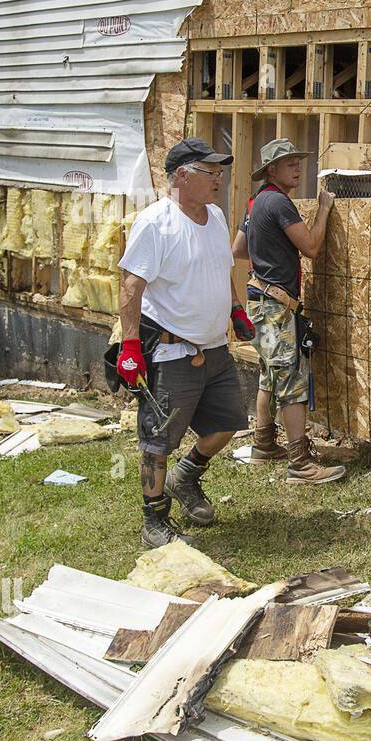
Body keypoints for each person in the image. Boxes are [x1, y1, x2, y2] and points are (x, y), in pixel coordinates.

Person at [115, 137, 255, 547]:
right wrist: (129, 346)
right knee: (158, 440)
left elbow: (223, 268)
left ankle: (186, 476)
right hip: (173, 351)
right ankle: (153, 522)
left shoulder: (214, 216)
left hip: (214, 347)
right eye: (209, 172)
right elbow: (131, 285)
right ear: (181, 176)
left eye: (219, 172)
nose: (219, 179)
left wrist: (234, 309)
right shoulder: (155, 222)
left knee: (229, 423)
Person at [231, 137, 345, 484]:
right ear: (271, 170)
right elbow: (310, 247)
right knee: (292, 380)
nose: (297, 166)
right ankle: (300, 463)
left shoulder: (256, 202)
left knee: (270, 373)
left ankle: (264, 445)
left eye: (298, 160)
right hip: (275, 306)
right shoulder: (279, 202)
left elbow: (238, 248)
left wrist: (267, 254)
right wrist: (324, 210)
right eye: (289, 162)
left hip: (260, 301)